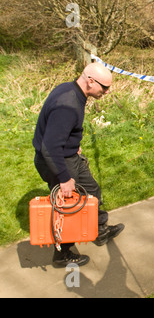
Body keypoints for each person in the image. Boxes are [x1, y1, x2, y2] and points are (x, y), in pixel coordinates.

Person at [33, 62, 125, 268]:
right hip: (57, 162)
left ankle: (99, 231)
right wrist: (64, 178)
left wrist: (73, 144)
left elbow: (60, 133)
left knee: (92, 190)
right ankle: (62, 254)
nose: (107, 92)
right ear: (90, 81)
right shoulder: (68, 104)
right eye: (104, 87)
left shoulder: (72, 91)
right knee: (68, 207)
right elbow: (49, 147)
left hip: (69, 154)